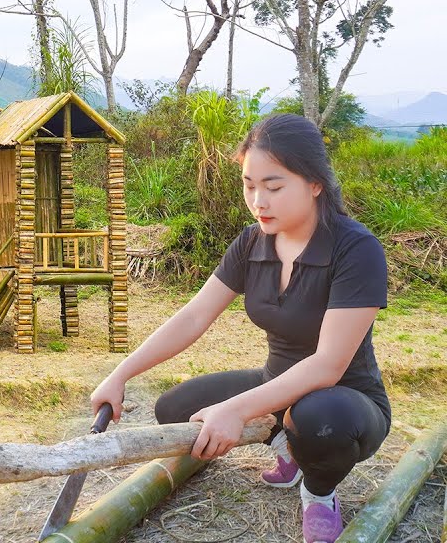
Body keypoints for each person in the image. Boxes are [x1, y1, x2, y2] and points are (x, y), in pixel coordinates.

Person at [90, 114, 389, 543]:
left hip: (345, 399)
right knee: (174, 409)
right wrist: (121, 374)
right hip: (274, 385)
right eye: (249, 185)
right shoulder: (252, 243)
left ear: (315, 183)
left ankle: (319, 491)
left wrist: (235, 410)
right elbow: (194, 316)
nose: (258, 201)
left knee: (319, 419)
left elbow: (328, 365)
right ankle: (287, 444)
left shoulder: (356, 249)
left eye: (274, 186)